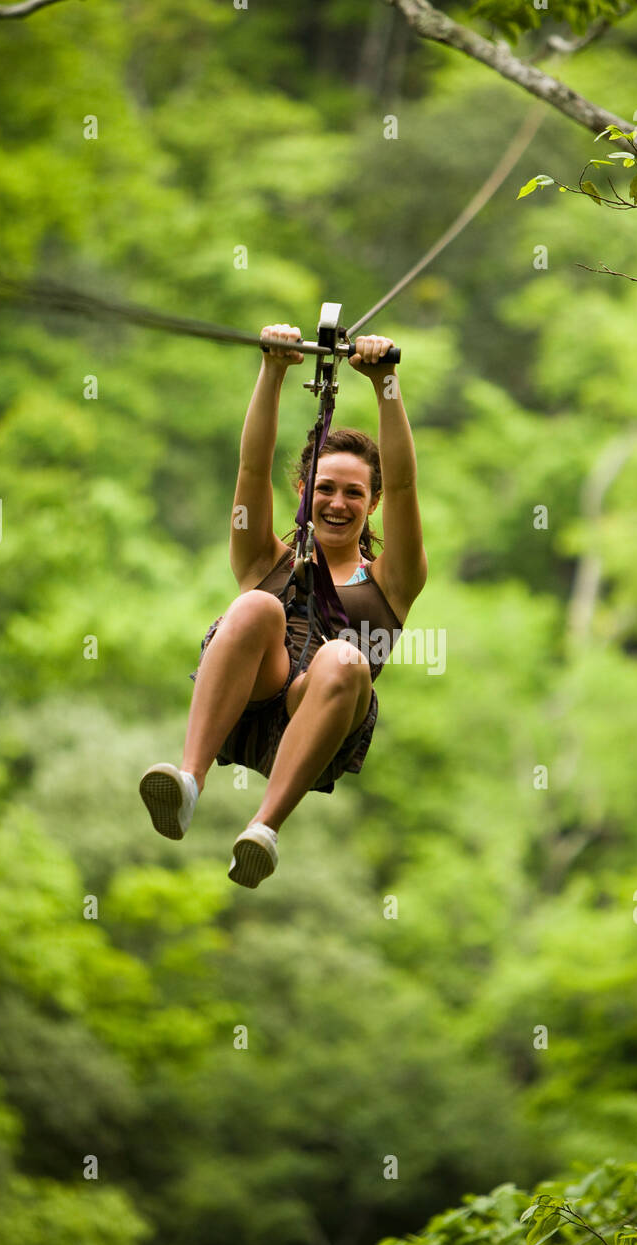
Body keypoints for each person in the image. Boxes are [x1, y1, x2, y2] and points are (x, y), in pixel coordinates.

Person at [139, 324, 427, 887]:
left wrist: (387, 383)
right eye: (324, 488)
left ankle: (264, 830)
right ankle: (188, 783)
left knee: (344, 659)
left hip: (318, 719)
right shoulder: (263, 559)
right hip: (249, 700)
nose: (337, 503)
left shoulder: (394, 580)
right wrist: (272, 371)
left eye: (353, 493)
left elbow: (410, 486)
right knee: (255, 608)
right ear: (302, 489)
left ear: (374, 503)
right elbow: (250, 470)